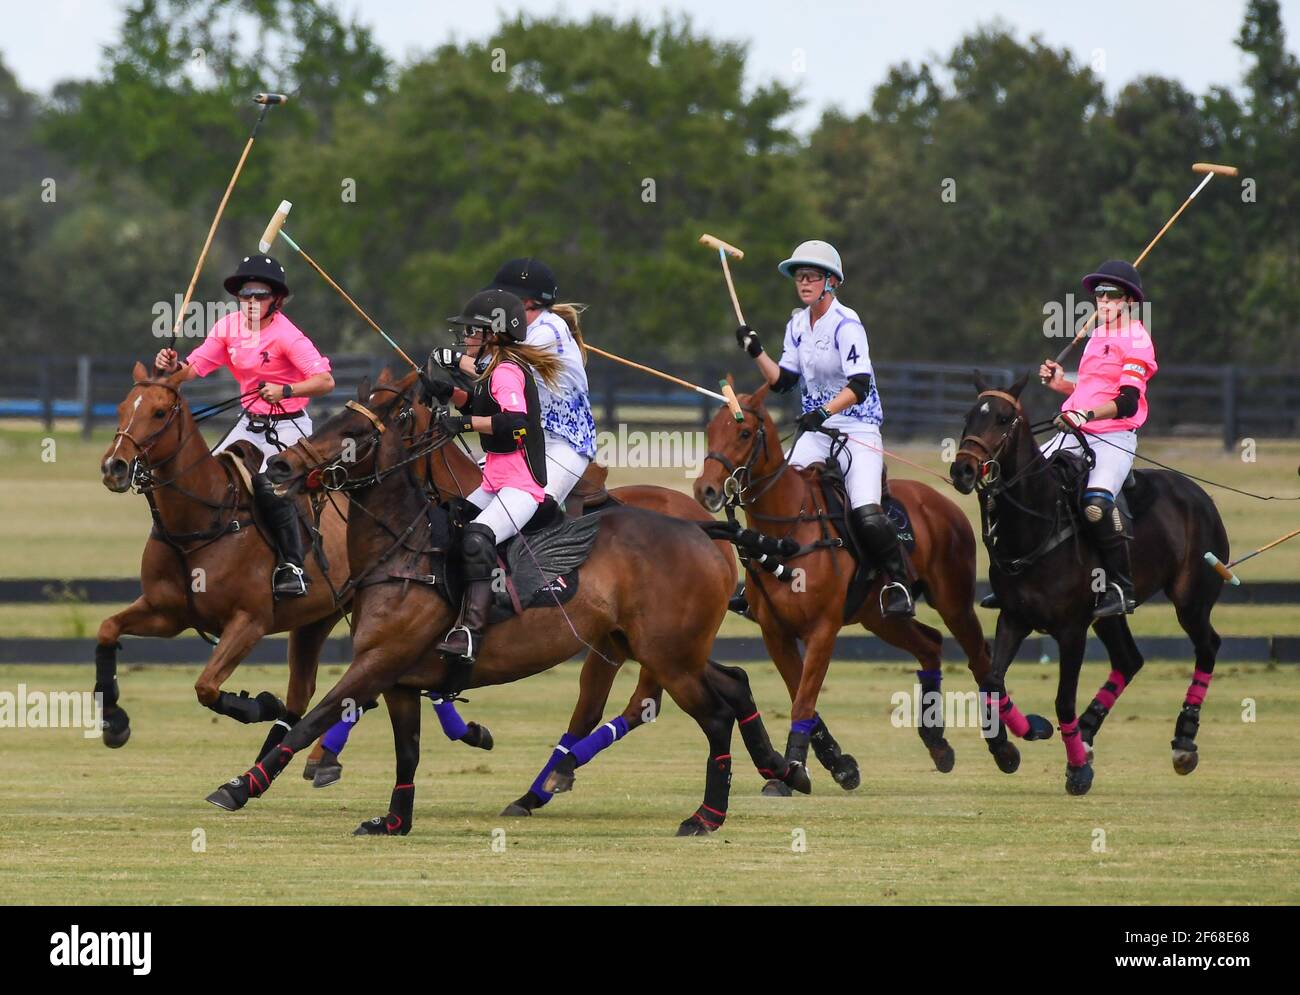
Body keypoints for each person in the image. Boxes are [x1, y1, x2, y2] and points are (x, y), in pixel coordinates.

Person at [734, 239, 914, 617]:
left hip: (858, 430)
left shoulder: (847, 325)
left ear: (831, 282)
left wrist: (824, 411)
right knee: (775, 492)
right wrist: (756, 351)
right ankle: (761, 583)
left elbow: (860, 384)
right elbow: (783, 381)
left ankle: (897, 582)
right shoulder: (797, 324)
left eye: (812, 277)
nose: (804, 283)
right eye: (800, 277)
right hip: (816, 434)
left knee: (866, 510)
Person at [154, 253, 334, 597]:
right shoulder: (227, 328)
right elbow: (191, 370)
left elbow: (324, 381)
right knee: (201, 477)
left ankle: (292, 565)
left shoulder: (288, 336)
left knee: (270, 487)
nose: (251, 301)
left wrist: (285, 389)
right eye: (246, 294)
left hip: (289, 426)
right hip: (249, 424)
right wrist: (171, 364)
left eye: (260, 295)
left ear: (275, 300)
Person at [433, 289, 563, 686]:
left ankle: (470, 632)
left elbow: (515, 424)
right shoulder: (494, 370)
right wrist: (447, 393)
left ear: (494, 334)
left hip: (521, 485)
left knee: (475, 538)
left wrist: (463, 425)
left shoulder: (507, 372)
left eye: (473, 330)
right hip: (495, 478)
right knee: (447, 519)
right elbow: (479, 403)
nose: (467, 337)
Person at [1038, 259, 1157, 617]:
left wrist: (1084, 414)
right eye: (1100, 295)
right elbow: (1091, 390)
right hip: (1076, 431)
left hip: (1114, 437)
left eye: (1112, 295)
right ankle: (1022, 576)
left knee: (1095, 505)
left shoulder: (1138, 341)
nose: (1103, 301)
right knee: (1025, 481)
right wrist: (1063, 386)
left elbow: (1125, 401)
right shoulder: (1098, 335)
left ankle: (1121, 587)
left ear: (1130, 301)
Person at [433, 258, 596, 504]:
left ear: (527, 302)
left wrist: (453, 359)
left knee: (536, 508)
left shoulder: (547, 332)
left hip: (563, 442)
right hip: (521, 439)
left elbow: (496, 372)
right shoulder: (520, 332)